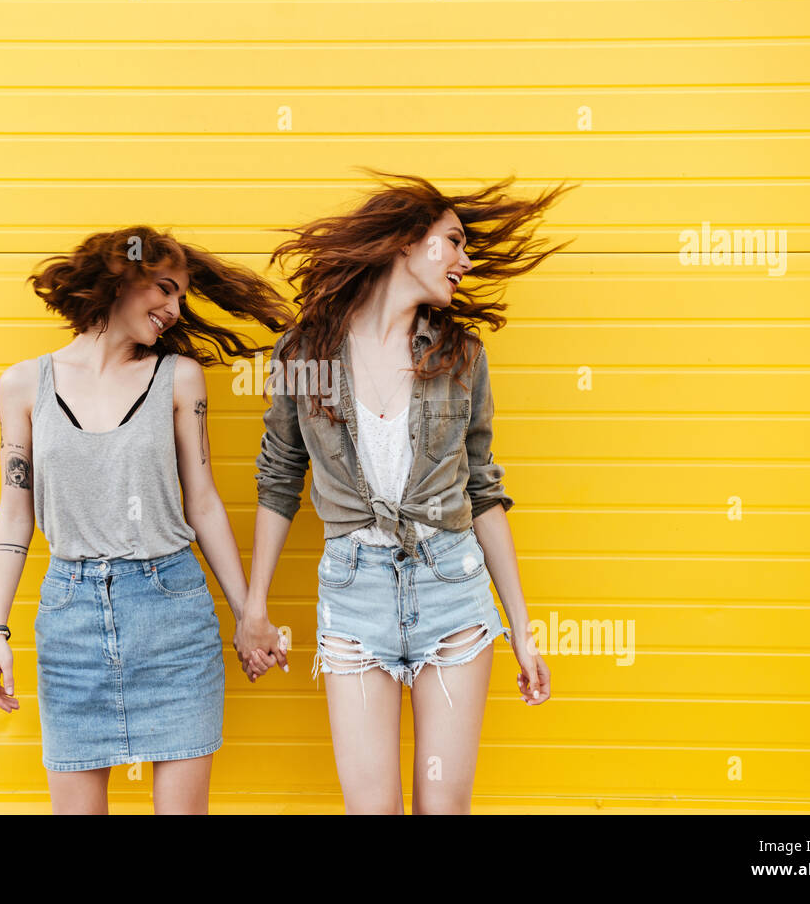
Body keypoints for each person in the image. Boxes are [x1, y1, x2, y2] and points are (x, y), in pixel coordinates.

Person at [239, 170, 570, 813]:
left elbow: (482, 490)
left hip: (452, 588)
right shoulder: (304, 353)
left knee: (442, 808)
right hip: (354, 592)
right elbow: (280, 476)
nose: (465, 262)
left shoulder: (460, 355)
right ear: (406, 244)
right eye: (453, 242)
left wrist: (523, 628)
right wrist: (255, 604)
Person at [0, 226, 290, 814]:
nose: (173, 310)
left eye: (182, 299)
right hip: (69, 623)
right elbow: (14, 515)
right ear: (122, 277)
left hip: (173, 615)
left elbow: (204, 503)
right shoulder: (22, 385)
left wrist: (250, 616)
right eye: (164, 289)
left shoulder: (179, 378)